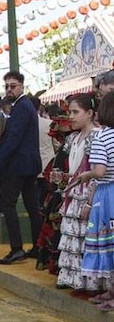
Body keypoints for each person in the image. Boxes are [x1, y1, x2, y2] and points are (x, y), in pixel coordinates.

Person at [0, 72, 42, 265]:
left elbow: (13, 139)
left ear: (22, 87)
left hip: (18, 166)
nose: (9, 89)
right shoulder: (25, 107)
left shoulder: (22, 107)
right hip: (28, 166)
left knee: (8, 204)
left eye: (13, 86)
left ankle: (17, 248)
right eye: (7, 86)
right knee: (32, 207)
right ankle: (37, 247)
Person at [67, 91, 114, 309]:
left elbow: (99, 170)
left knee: (106, 243)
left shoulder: (102, 137)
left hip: (106, 195)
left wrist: (85, 175)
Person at [55, 94, 99, 292]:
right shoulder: (73, 137)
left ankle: (89, 281)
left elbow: (100, 172)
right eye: (69, 112)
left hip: (89, 192)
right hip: (74, 191)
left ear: (89, 113)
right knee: (72, 233)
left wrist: (90, 200)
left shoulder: (96, 136)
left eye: (75, 112)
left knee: (86, 236)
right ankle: (72, 278)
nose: (71, 117)